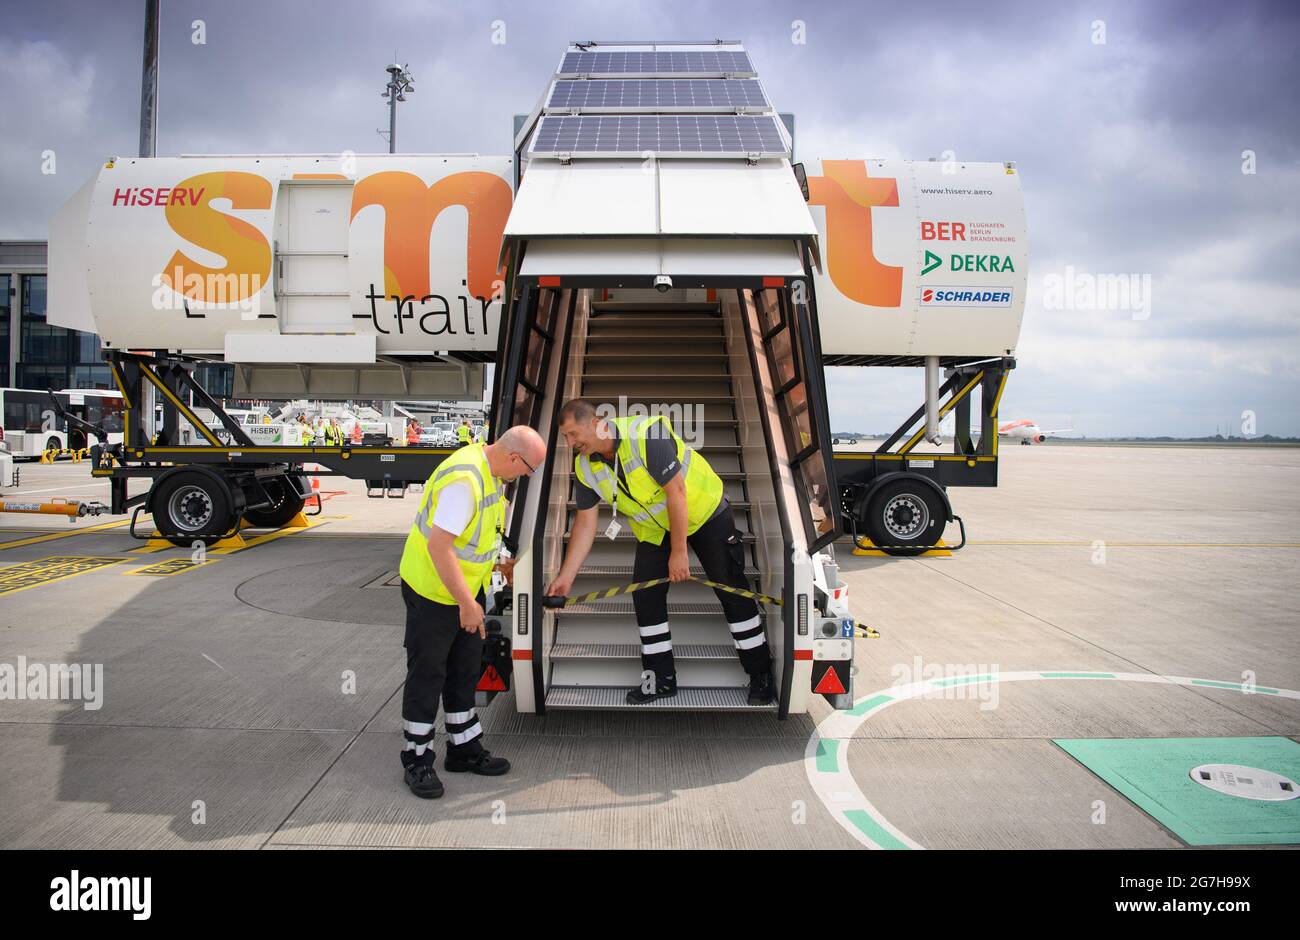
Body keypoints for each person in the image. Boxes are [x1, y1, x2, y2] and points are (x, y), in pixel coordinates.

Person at [546, 399, 775, 705]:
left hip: (703, 512)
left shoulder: (646, 435)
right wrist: (566, 576)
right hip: (656, 530)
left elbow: (676, 493)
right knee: (645, 596)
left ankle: (761, 675)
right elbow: (586, 524)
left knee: (732, 590)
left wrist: (679, 553)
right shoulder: (585, 466)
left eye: (574, 434)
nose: (571, 443)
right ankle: (660, 680)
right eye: (566, 438)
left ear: (597, 422)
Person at [398, 425, 547, 799]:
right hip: (434, 593)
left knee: (464, 669)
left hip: (465, 593)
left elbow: (474, 538)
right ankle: (417, 760)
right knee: (428, 673)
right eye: (529, 468)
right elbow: (440, 548)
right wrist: (467, 603)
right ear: (514, 457)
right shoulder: (465, 481)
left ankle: (463, 748)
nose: (528, 476)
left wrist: (499, 566)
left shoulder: (490, 473)